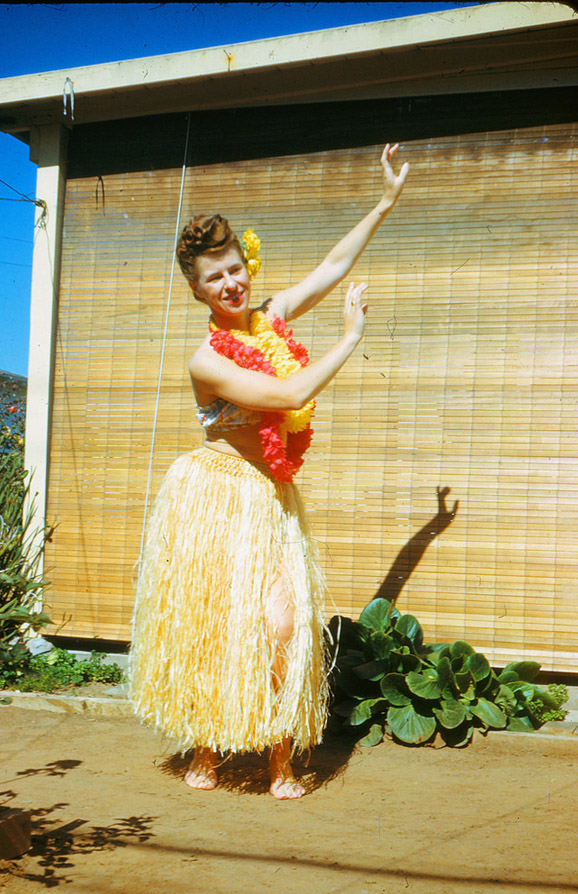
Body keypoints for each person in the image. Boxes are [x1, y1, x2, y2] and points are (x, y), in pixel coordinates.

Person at [129, 143, 409, 799]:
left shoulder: (271, 319)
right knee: (215, 625)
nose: (230, 284)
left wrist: (384, 201)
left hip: (271, 496)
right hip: (214, 495)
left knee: (281, 627)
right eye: (214, 278)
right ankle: (207, 747)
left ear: (245, 266)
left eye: (235, 269)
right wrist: (348, 339)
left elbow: (331, 267)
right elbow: (287, 395)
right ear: (196, 289)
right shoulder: (206, 360)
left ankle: (279, 760)